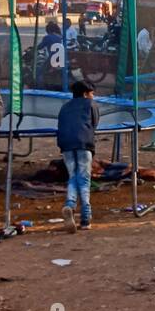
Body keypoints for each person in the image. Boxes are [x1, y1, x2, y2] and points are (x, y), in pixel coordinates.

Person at [56, 80, 100, 233]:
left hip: (66, 145)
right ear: (85, 93)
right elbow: (94, 124)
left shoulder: (64, 107)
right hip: (84, 144)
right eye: (92, 93)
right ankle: (86, 218)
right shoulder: (90, 105)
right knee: (84, 179)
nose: (93, 96)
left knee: (73, 176)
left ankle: (70, 205)